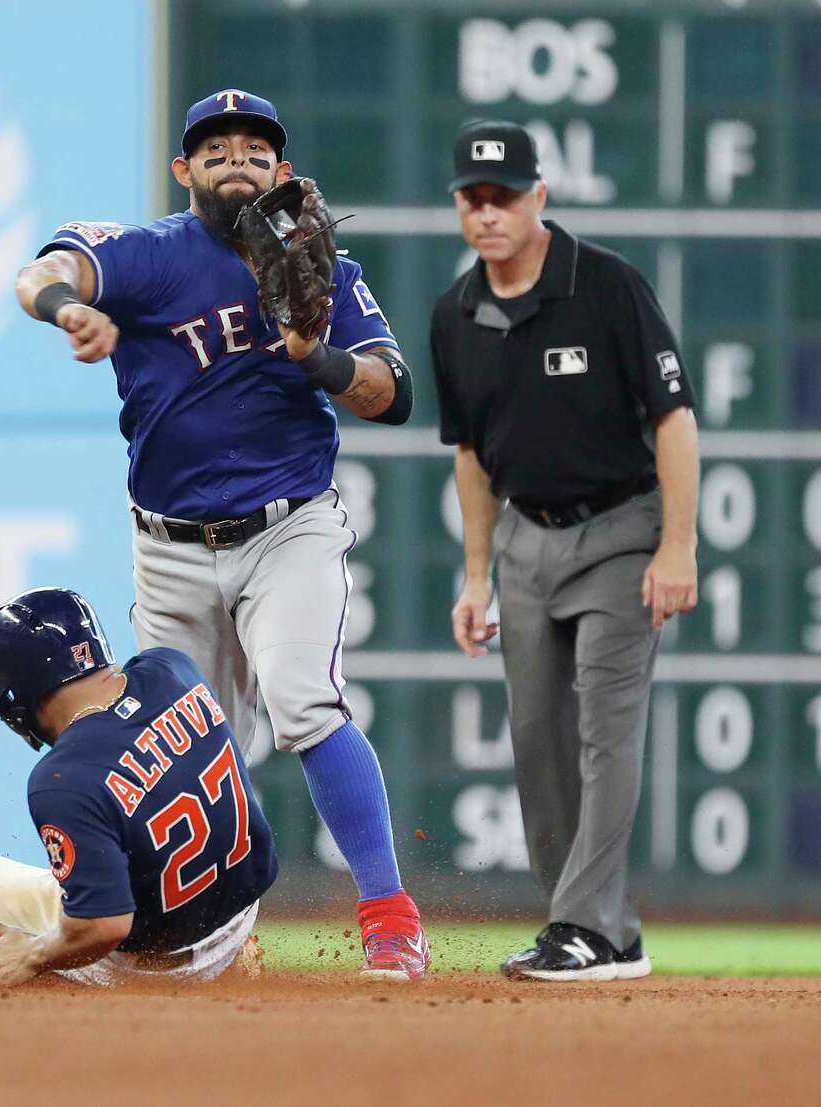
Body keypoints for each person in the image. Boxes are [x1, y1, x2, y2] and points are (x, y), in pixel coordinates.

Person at [12, 89, 428, 979]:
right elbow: (40, 272)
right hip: (167, 546)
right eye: (215, 147)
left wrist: (314, 355)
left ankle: (390, 915)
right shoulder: (150, 256)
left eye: (253, 148)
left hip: (290, 528)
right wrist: (68, 310)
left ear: (280, 170)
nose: (234, 159)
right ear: (184, 169)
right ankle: (208, 943)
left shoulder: (330, 275)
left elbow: (394, 395)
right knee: (187, 749)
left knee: (304, 699)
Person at [430, 120, 700, 982]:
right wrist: (476, 574)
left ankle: (582, 922)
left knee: (605, 728)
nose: (489, 212)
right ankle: (596, 930)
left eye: (504, 195)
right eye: (473, 198)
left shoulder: (608, 286)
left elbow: (675, 420)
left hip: (623, 531)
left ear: (539, 195)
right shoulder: (454, 315)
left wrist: (679, 546)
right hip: (525, 540)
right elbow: (471, 457)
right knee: (538, 733)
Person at [0, 587, 276, 988]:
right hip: (240, 913)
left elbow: (104, 926)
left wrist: (30, 956)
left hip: (151, 964)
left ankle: (71, 1000)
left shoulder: (61, 778)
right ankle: (237, 955)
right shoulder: (172, 669)